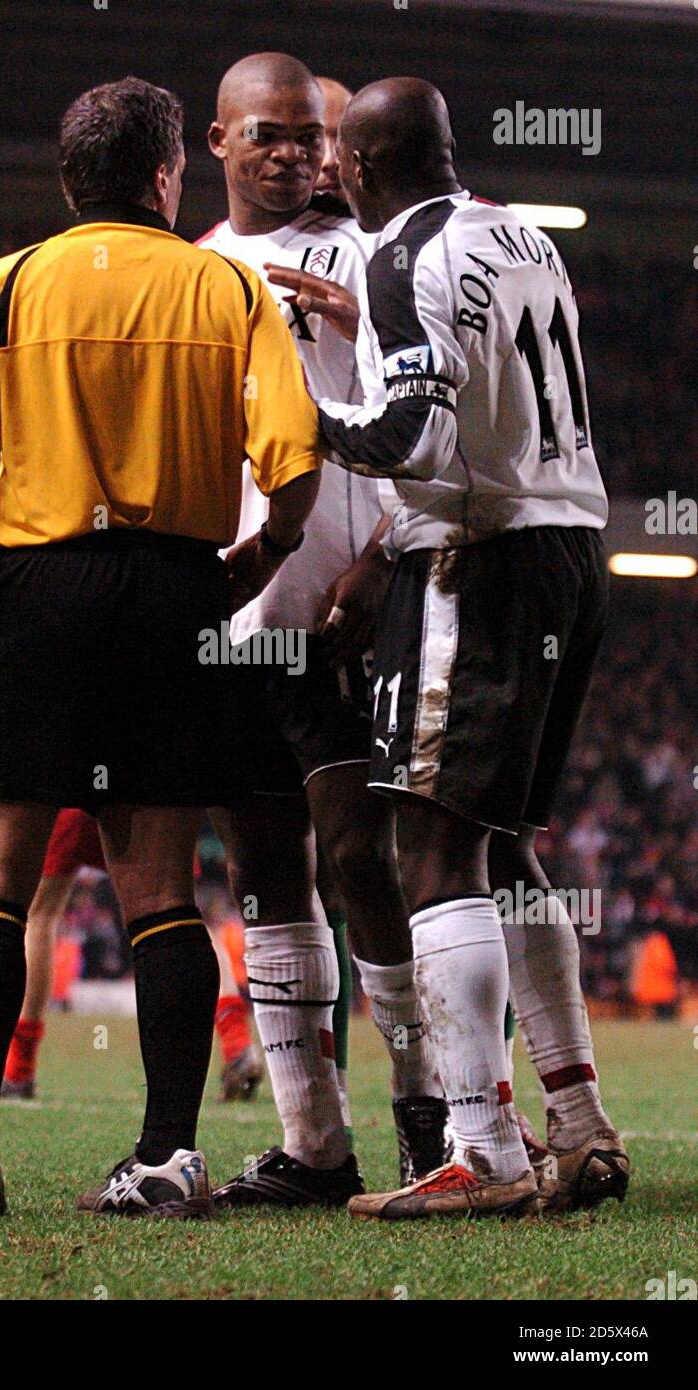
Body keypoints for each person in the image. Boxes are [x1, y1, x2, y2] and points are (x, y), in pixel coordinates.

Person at [0, 76, 320, 1219]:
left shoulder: (4, 286)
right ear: (170, 175)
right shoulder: (226, 288)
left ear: (70, 181)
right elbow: (297, 466)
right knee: (162, 889)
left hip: (35, 589)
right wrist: (261, 558)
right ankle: (169, 1154)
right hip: (175, 591)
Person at [314, 77, 628, 1219]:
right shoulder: (524, 233)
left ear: (358, 167)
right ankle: (579, 1120)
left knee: (434, 855)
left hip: (478, 560)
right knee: (504, 848)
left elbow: (415, 434)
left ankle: (482, 1146)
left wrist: (287, 410)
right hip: (571, 549)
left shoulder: (396, 259)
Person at [198, 54, 449, 1209]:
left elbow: (423, 424)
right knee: (260, 874)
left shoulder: (366, 258)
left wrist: (380, 551)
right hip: (236, 618)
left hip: (348, 610)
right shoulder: (191, 273)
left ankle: (426, 1119)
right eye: (272, 135)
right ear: (220, 144)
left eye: (312, 137)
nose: (297, 154)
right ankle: (313, 1140)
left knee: (360, 858)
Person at [0, 808, 263, 1101]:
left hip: (77, 789)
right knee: (182, 912)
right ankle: (237, 1042)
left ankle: (20, 1070)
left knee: (41, 914)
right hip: (150, 786)